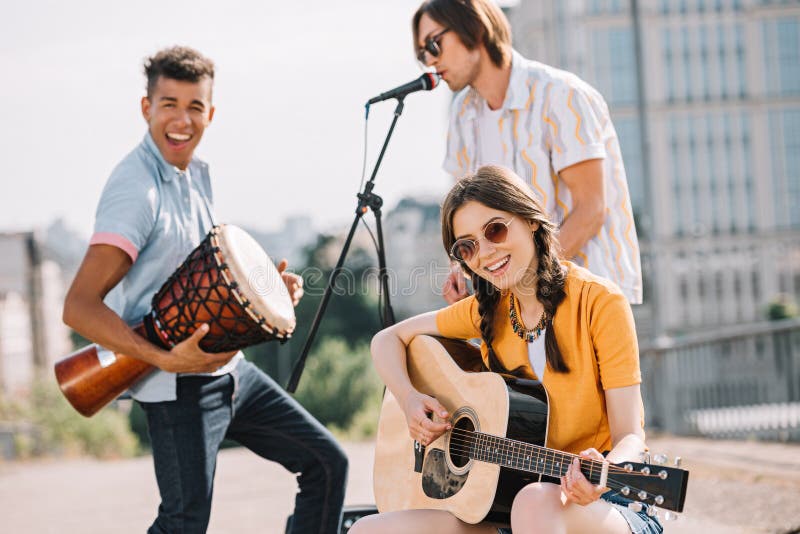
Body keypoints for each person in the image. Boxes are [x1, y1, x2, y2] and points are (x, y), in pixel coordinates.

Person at [62, 46, 347, 534]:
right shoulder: (137, 189)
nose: (182, 119)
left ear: (210, 113)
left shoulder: (196, 174)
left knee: (325, 464)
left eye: (195, 106)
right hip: (176, 387)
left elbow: (201, 279)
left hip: (230, 373)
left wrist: (267, 291)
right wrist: (164, 359)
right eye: (168, 103)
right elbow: (79, 307)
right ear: (145, 107)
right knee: (184, 522)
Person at [350, 166, 661, 534]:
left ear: (529, 220)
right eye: (467, 246)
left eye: (494, 230)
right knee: (367, 530)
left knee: (534, 501)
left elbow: (631, 436)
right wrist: (410, 400)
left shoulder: (599, 301)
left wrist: (603, 473)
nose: (485, 253)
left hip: (604, 505)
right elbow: (386, 340)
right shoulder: (489, 311)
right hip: (510, 509)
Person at [411, 0, 642, 306]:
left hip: (584, 300)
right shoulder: (461, 115)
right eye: (421, 54)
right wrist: (461, 268)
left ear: (475, 27)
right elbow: (466, 221)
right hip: (515, 307)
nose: (429, 61)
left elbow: (591, 209)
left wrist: (525, 282)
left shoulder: (561, 94)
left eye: (433, 44)